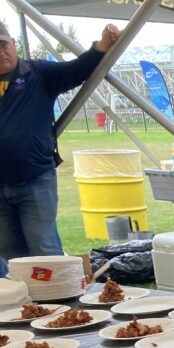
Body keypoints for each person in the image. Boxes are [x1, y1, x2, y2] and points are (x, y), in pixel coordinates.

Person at [0, 22, 121, 275]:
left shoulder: (37, 73)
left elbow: (77, 70)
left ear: (13, 43)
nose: (1, 53)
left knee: (45, 250)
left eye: (3, 45)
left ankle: (60, 303)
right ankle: (28, 309)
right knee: (12, 256)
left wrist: (101, 46)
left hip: (34, 180)